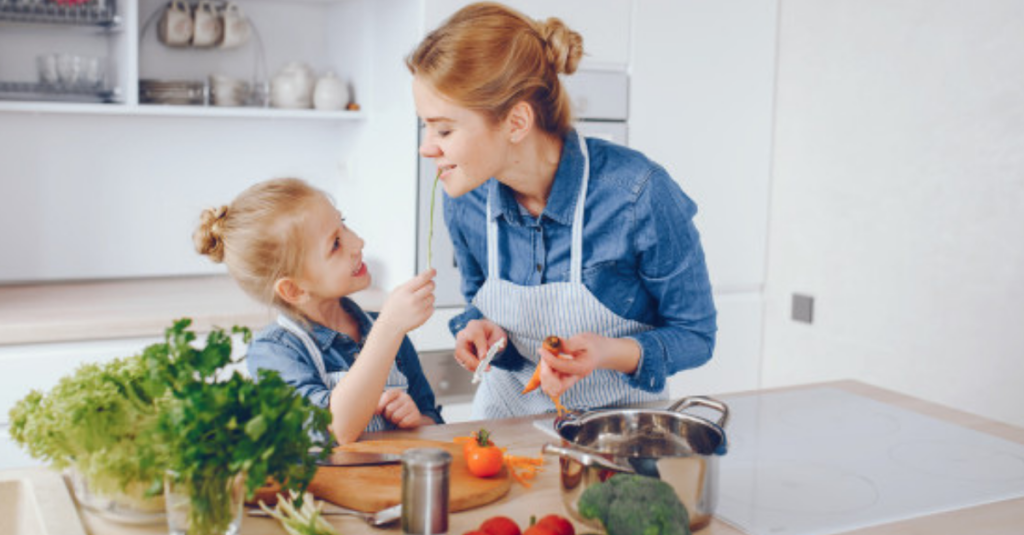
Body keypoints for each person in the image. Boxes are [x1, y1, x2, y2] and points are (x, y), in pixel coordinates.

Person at [407, 2, 717, 419]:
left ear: (516, 123)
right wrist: (479, 330)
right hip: (505, 424)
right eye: (425, 126)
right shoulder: (465, 199)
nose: (427, 147)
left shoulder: (637, 194)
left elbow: (696, 336)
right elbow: (478, 302)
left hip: (616, 433)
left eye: (444, 129)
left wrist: (607, 352)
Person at [193, 178, 442, 443]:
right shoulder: (275, 352)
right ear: (294, 290)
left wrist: (417, 421)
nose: (358, 242)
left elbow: (435, 422)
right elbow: (332, 430)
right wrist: (389, 328)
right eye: (335, 243)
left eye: (343, 223)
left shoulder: (385, 328)